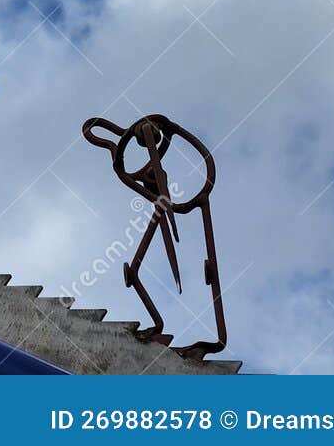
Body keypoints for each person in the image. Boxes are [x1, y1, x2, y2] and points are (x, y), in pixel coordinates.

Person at [82, 113, 228, 358]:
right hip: (166, 202)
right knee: (137, 266)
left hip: (193, 198)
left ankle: (216, 338)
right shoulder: (147, 162)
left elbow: (177, 145)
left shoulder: (165, 141)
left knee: (206, 260)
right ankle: (158, 324)